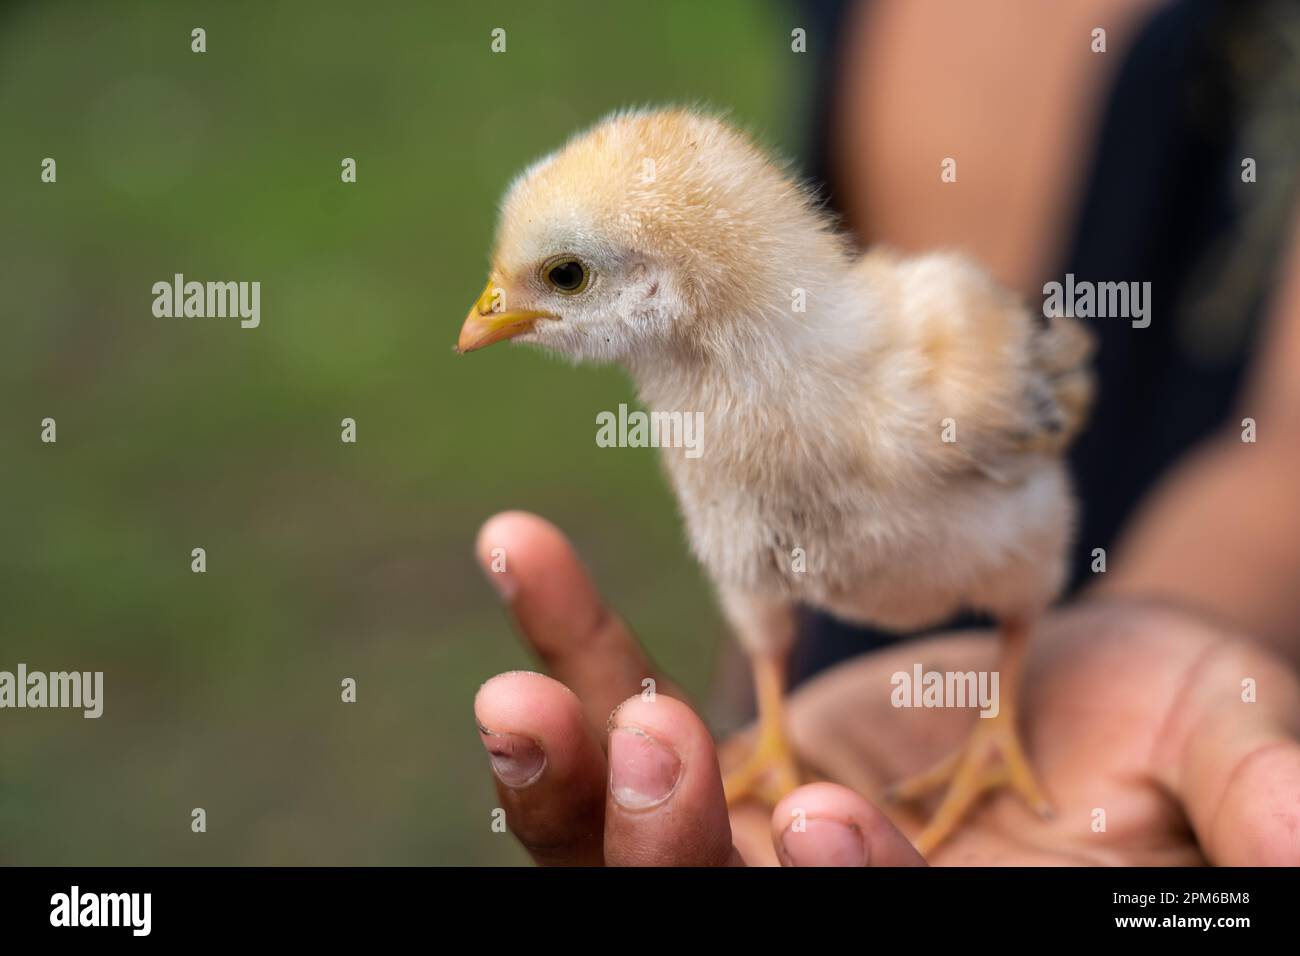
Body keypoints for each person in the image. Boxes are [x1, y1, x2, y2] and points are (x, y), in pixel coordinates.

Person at [471, 0, 1300, 865]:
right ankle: (777, 738)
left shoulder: (941, 362)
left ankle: (998, 728)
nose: (496, 308)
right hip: (825, 665)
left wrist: (1128, 668)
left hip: (1106, 546)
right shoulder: (692, 396)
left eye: (562, 277)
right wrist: (758, 723)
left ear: (667, 284)